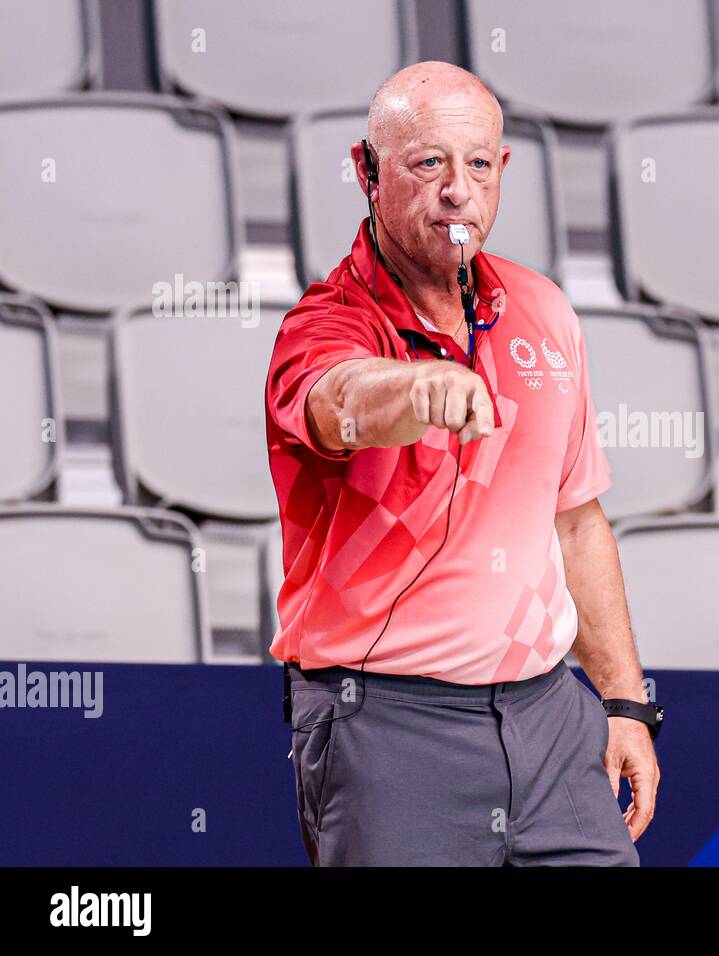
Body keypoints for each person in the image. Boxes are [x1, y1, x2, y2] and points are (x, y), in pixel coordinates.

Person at [264, 61, 661, 866]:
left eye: (478, 164)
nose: (457, 191)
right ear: (366, 171)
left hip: (552, 718)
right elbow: (338, 400)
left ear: (502, 171)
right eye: (427, 163)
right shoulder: (325, 324)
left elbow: (576, 523)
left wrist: (623, 703)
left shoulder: (543, 308)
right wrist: (419, 388)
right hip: (384, 722)